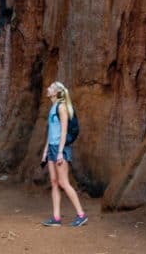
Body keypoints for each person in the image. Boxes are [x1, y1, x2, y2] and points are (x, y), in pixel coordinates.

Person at [40, 80, 88, 228]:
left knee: (63, 182)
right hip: (52, 148)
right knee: (54, 182)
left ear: (56, 92)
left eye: (51, 87)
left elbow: (64, 131)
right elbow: (52, 131)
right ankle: (56, 217)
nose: (48, 88)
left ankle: (81, 215)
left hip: (61, 149)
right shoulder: (53, 107)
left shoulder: (61, 107)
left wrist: (60, 152)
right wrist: (46, 150)